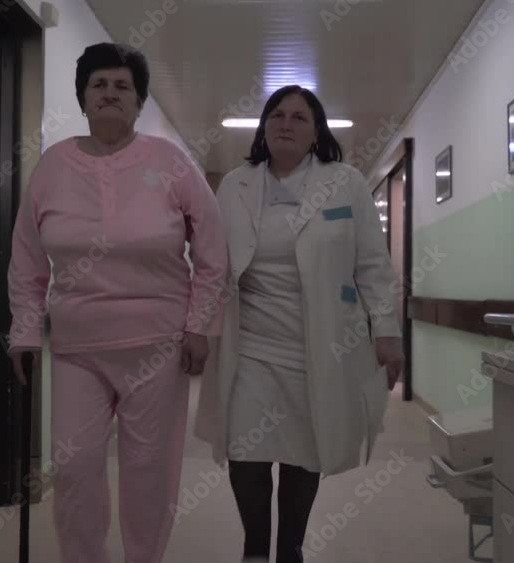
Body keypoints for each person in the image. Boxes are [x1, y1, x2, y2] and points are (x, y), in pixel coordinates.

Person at [6, 43, 227, 563]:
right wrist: (23, 329)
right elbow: (26, 259)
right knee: (75, 464)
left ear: (139, 100)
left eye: (122, 85)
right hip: (78, 346)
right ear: (83, 97)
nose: (110, 92)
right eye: (99, 84)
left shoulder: (169, 162)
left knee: (148, 468)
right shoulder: (53, 167)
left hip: (157, 343)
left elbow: (212, 247)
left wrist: (201, 325)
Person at [194, 85, 404, 563]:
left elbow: (372, 263)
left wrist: (386, 331)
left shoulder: (345, 182)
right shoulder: (235, 184)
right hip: (249, 344)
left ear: (316, 133)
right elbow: (211, 262)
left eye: (299, 118)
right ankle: (254, 550)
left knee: (303, 453)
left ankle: (290, 549)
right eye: (277, 116)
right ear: (264, 128)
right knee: (245, 449)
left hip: (319, 345)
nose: (286, 124)